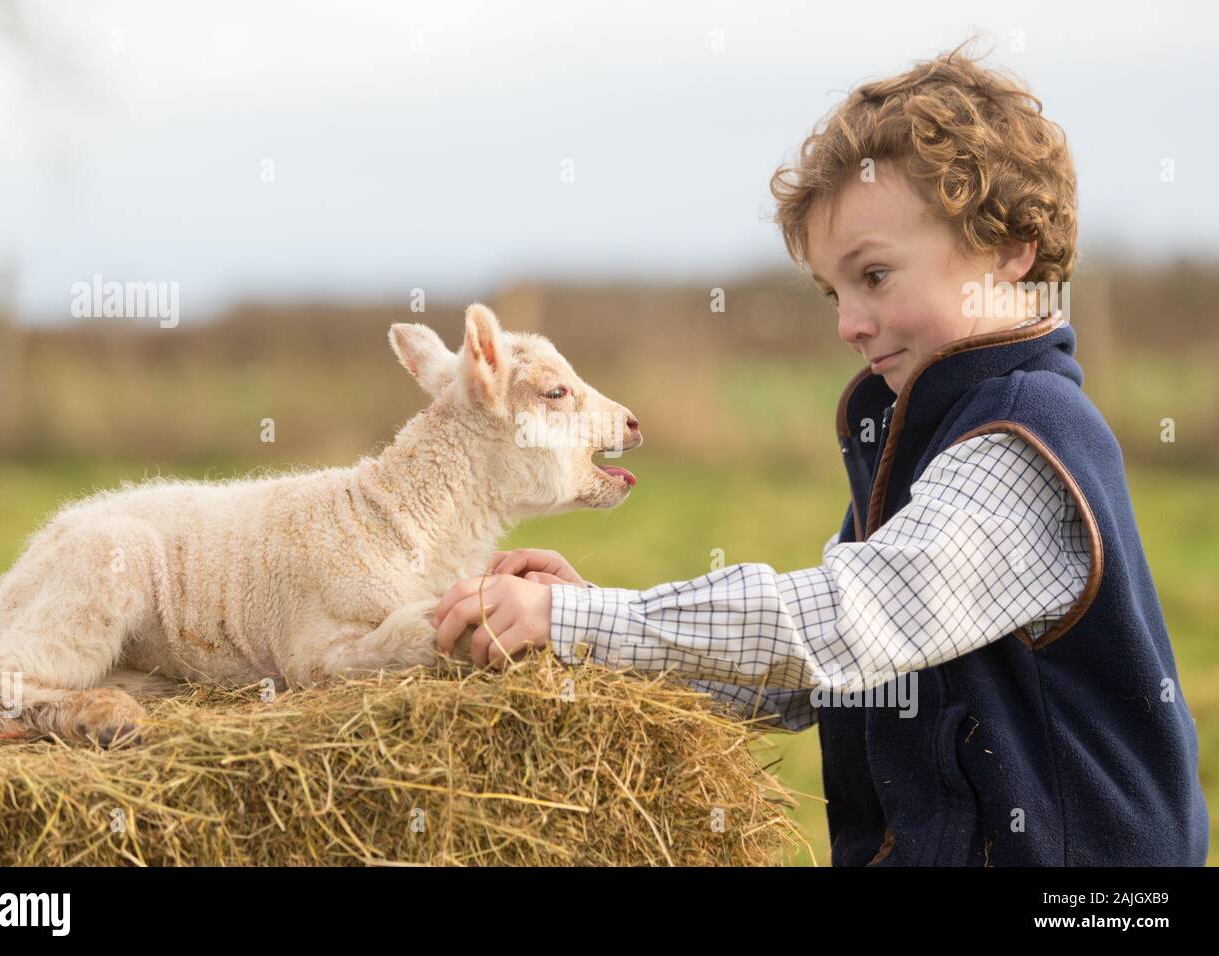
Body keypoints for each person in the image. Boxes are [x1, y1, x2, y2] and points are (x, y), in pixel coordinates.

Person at [432, 43, 1208, 866]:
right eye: (837, 291)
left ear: (1009, 247)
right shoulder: (916, 441)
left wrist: (580, 619)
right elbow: (804, 679)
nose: (849, 324)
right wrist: (597, 626)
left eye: (876, 275)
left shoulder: (1023, 445)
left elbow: (839, 622)